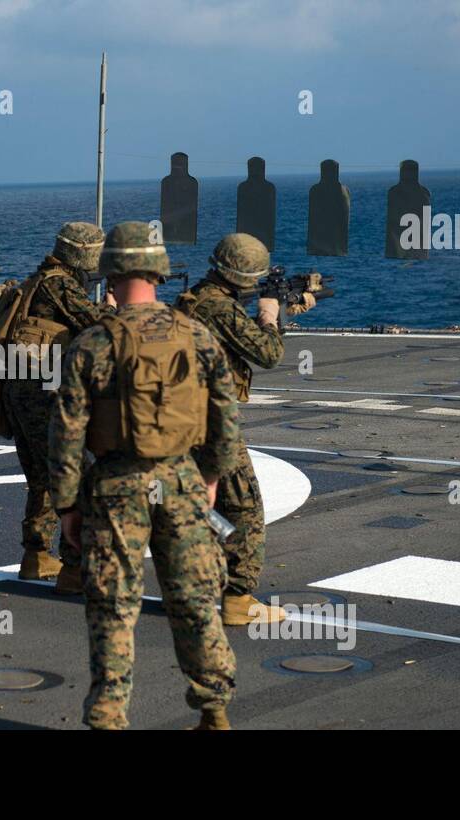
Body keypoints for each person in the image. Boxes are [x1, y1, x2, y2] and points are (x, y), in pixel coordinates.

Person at [50, 221, 241, 730]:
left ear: (108, 271)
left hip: (115, 488)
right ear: (159, 268)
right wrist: (210, 479)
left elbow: (67, 431)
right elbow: (225, 418)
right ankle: (214, 710)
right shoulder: (198, 336)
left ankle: (109, 716)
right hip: (180, 483)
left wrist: (67, 505)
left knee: (114, 605)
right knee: (195, 599)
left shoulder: (91, 344)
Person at [175, 232, 316, 625]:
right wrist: (271, 318)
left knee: (206, 507)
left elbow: (234, 341)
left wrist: (275, 316)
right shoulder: (219, 308)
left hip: (186, 414)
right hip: (210, 418)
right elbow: (267, 353)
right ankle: (238, 598)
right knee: (244, 506)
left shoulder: (197, 299)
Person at [0, 222, 113, 586]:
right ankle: (74, 566)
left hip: (20, 389)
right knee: (74, 476)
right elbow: (97, 324)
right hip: (44, 392)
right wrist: (114, 306)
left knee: (41, 477)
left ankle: (36, 554)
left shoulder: (38, 280)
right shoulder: (59, 283)